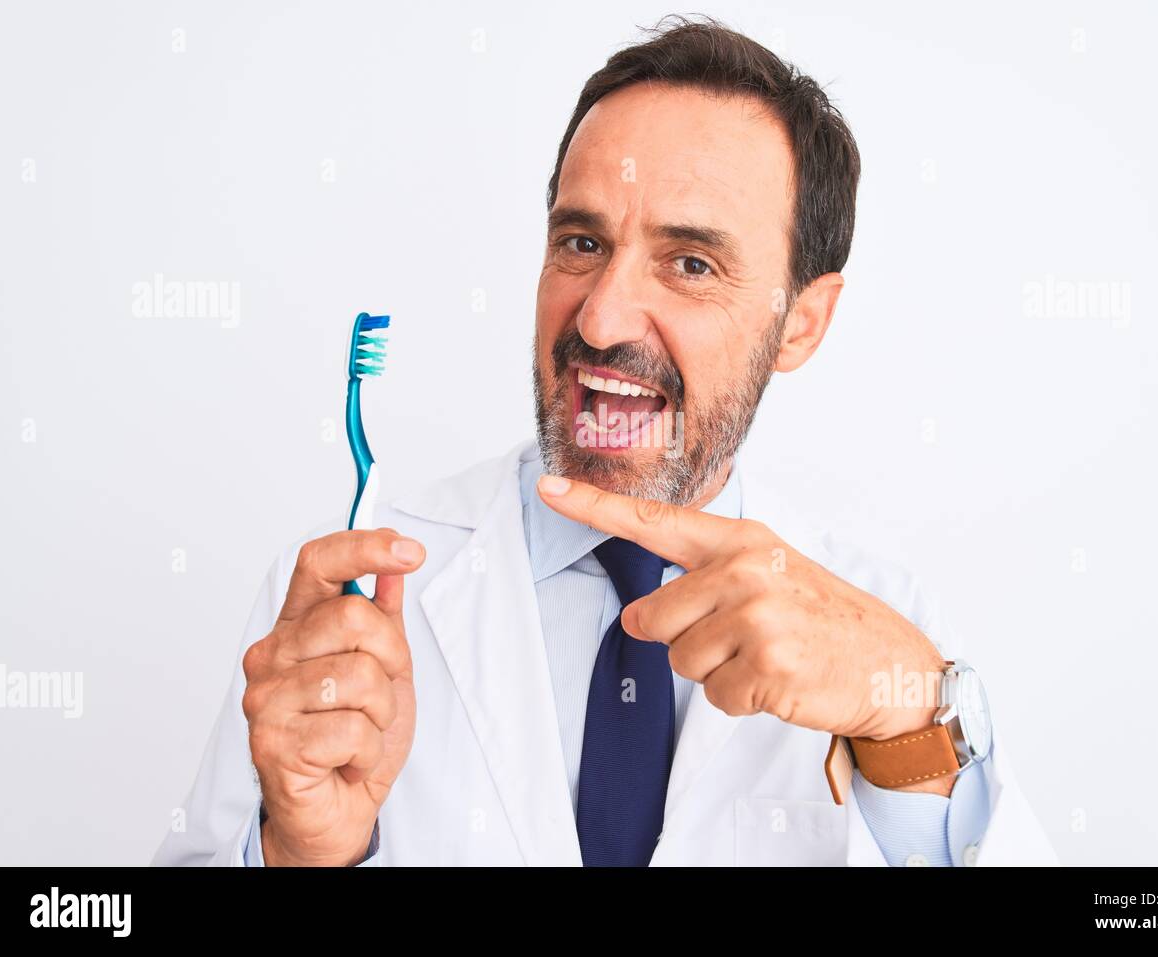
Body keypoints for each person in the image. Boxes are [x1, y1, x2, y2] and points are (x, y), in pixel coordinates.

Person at [153, 16, 1057, 867]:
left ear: (802, 324)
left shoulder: (892, 635)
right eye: (582, 242)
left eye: (690, 262)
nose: (601, 314)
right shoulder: (344, 599)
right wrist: (302, 853)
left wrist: (911, 726)